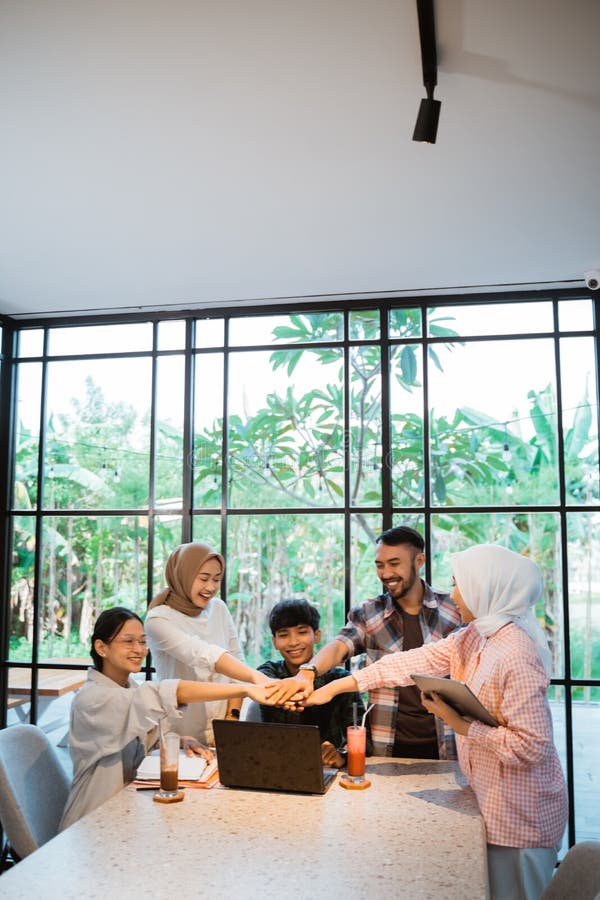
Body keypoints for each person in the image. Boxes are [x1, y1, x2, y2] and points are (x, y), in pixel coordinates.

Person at [304, 544, 568, 900]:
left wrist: (459, 723)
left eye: (459, 583)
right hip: (489, 801)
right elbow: (409, 662)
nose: (454, 593)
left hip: (521, 814)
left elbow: (531, 747)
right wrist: (333, 687)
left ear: (486, 588)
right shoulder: (476, 636)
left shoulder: (517, 654)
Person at [60, 607, 275, 830]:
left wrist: (181, 740)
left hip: (126, 811)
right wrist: (244, 690)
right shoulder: (93, 699)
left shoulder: (126, 687)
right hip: (94, 819)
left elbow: (143, 734)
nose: (139, 650)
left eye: (143, 642)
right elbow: (165, 693)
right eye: (129, 641)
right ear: (101, 647)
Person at [267, 525, 462, 759]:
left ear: (419, 561)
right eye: (380, 565)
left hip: (450, 744)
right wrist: (307, 672)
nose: (386, 573)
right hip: (386, 747)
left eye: (394, 563)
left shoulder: (454, 610)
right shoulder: (370, 613)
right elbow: (339, 646)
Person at [145, 541, 267, 744]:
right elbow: (202, 654)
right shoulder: (158, 619)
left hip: (225, 732)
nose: (210, 587)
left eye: (217, 579)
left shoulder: (218, 608)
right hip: (183, 734)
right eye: (203, 579)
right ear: (182, 575)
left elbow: (237, 661)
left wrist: (231, 719)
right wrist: (259, 679)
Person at [256, 599, 372, 767]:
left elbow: (363, 738)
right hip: (277, 766)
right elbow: (264, 685)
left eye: (301, 632)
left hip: (326, 768)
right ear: (274, 641)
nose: (293, 642)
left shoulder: (340, 679)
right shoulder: (268, 672)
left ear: (316, 635)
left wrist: (341, 754)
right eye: (283, 635)